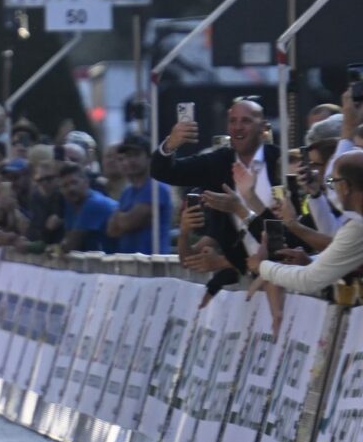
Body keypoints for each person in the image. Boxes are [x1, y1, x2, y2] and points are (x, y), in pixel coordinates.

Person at [152, 97, 280, 300]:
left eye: (246, 121)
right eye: (233, 121)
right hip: (243, 291)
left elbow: (286, 239)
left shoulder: (280, 162)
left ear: (263, 127)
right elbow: (164, 172)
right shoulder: (218, 162)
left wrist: (222, 262)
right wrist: (171, 144)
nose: (238, 127)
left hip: (284, 283)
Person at [246, 151, 363, 301]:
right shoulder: (357, 225)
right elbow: (339, 244)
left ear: (345, 186)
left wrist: (261, 266)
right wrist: (312, 261)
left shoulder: (358, 228)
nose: (331, 188)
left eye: (332, 182)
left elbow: (309, 280)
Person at [105, 133, 174, 254]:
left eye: (136, 155)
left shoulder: (157, 189)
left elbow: (130, 222)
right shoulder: (127, 192)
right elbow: (111, 230)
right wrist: (124, 220)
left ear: (149, 157)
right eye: (127, 156)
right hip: (130, 264)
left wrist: (121, 219)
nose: (130, 161)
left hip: (153, 264)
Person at [58, 163, 117, 253]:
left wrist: (55, 249)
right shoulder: (71, 205)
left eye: (74, 182)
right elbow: (68, 238)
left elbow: (71, 245)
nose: (71, 189)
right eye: (65, 186)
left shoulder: (94, 203)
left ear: (86, 182)